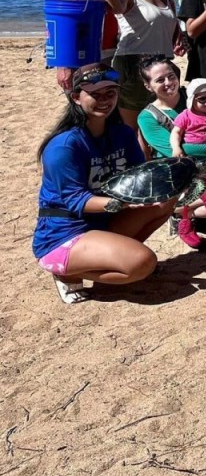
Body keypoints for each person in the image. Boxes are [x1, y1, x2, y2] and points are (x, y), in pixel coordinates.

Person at [34, 64, 175, 304]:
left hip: (102, 223)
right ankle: (67, 272)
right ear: (77, 98)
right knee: (143, 263)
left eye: (110, 93)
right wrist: (125, 203)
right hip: (64, 233)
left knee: (166, 200)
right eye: (95, 95)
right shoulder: (64, 146)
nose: (104, 100)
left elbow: (138, 175)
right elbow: (75, 201)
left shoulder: (122, 134)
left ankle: (111, 257)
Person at [136, 57, 206, 248]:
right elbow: (179, 151)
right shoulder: (148, 117)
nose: (168, 83)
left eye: (171, 76)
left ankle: (191, 210)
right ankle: (177, 211)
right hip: (178, 174)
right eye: (159, 80)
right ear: (148, 86)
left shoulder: (197, 94)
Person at [94, 0, 181, 128]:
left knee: (162, 122)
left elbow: (170, 29)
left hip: (163, 64)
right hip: (133, 64)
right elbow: (116, 7)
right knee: (134, 126)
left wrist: (180, 39)